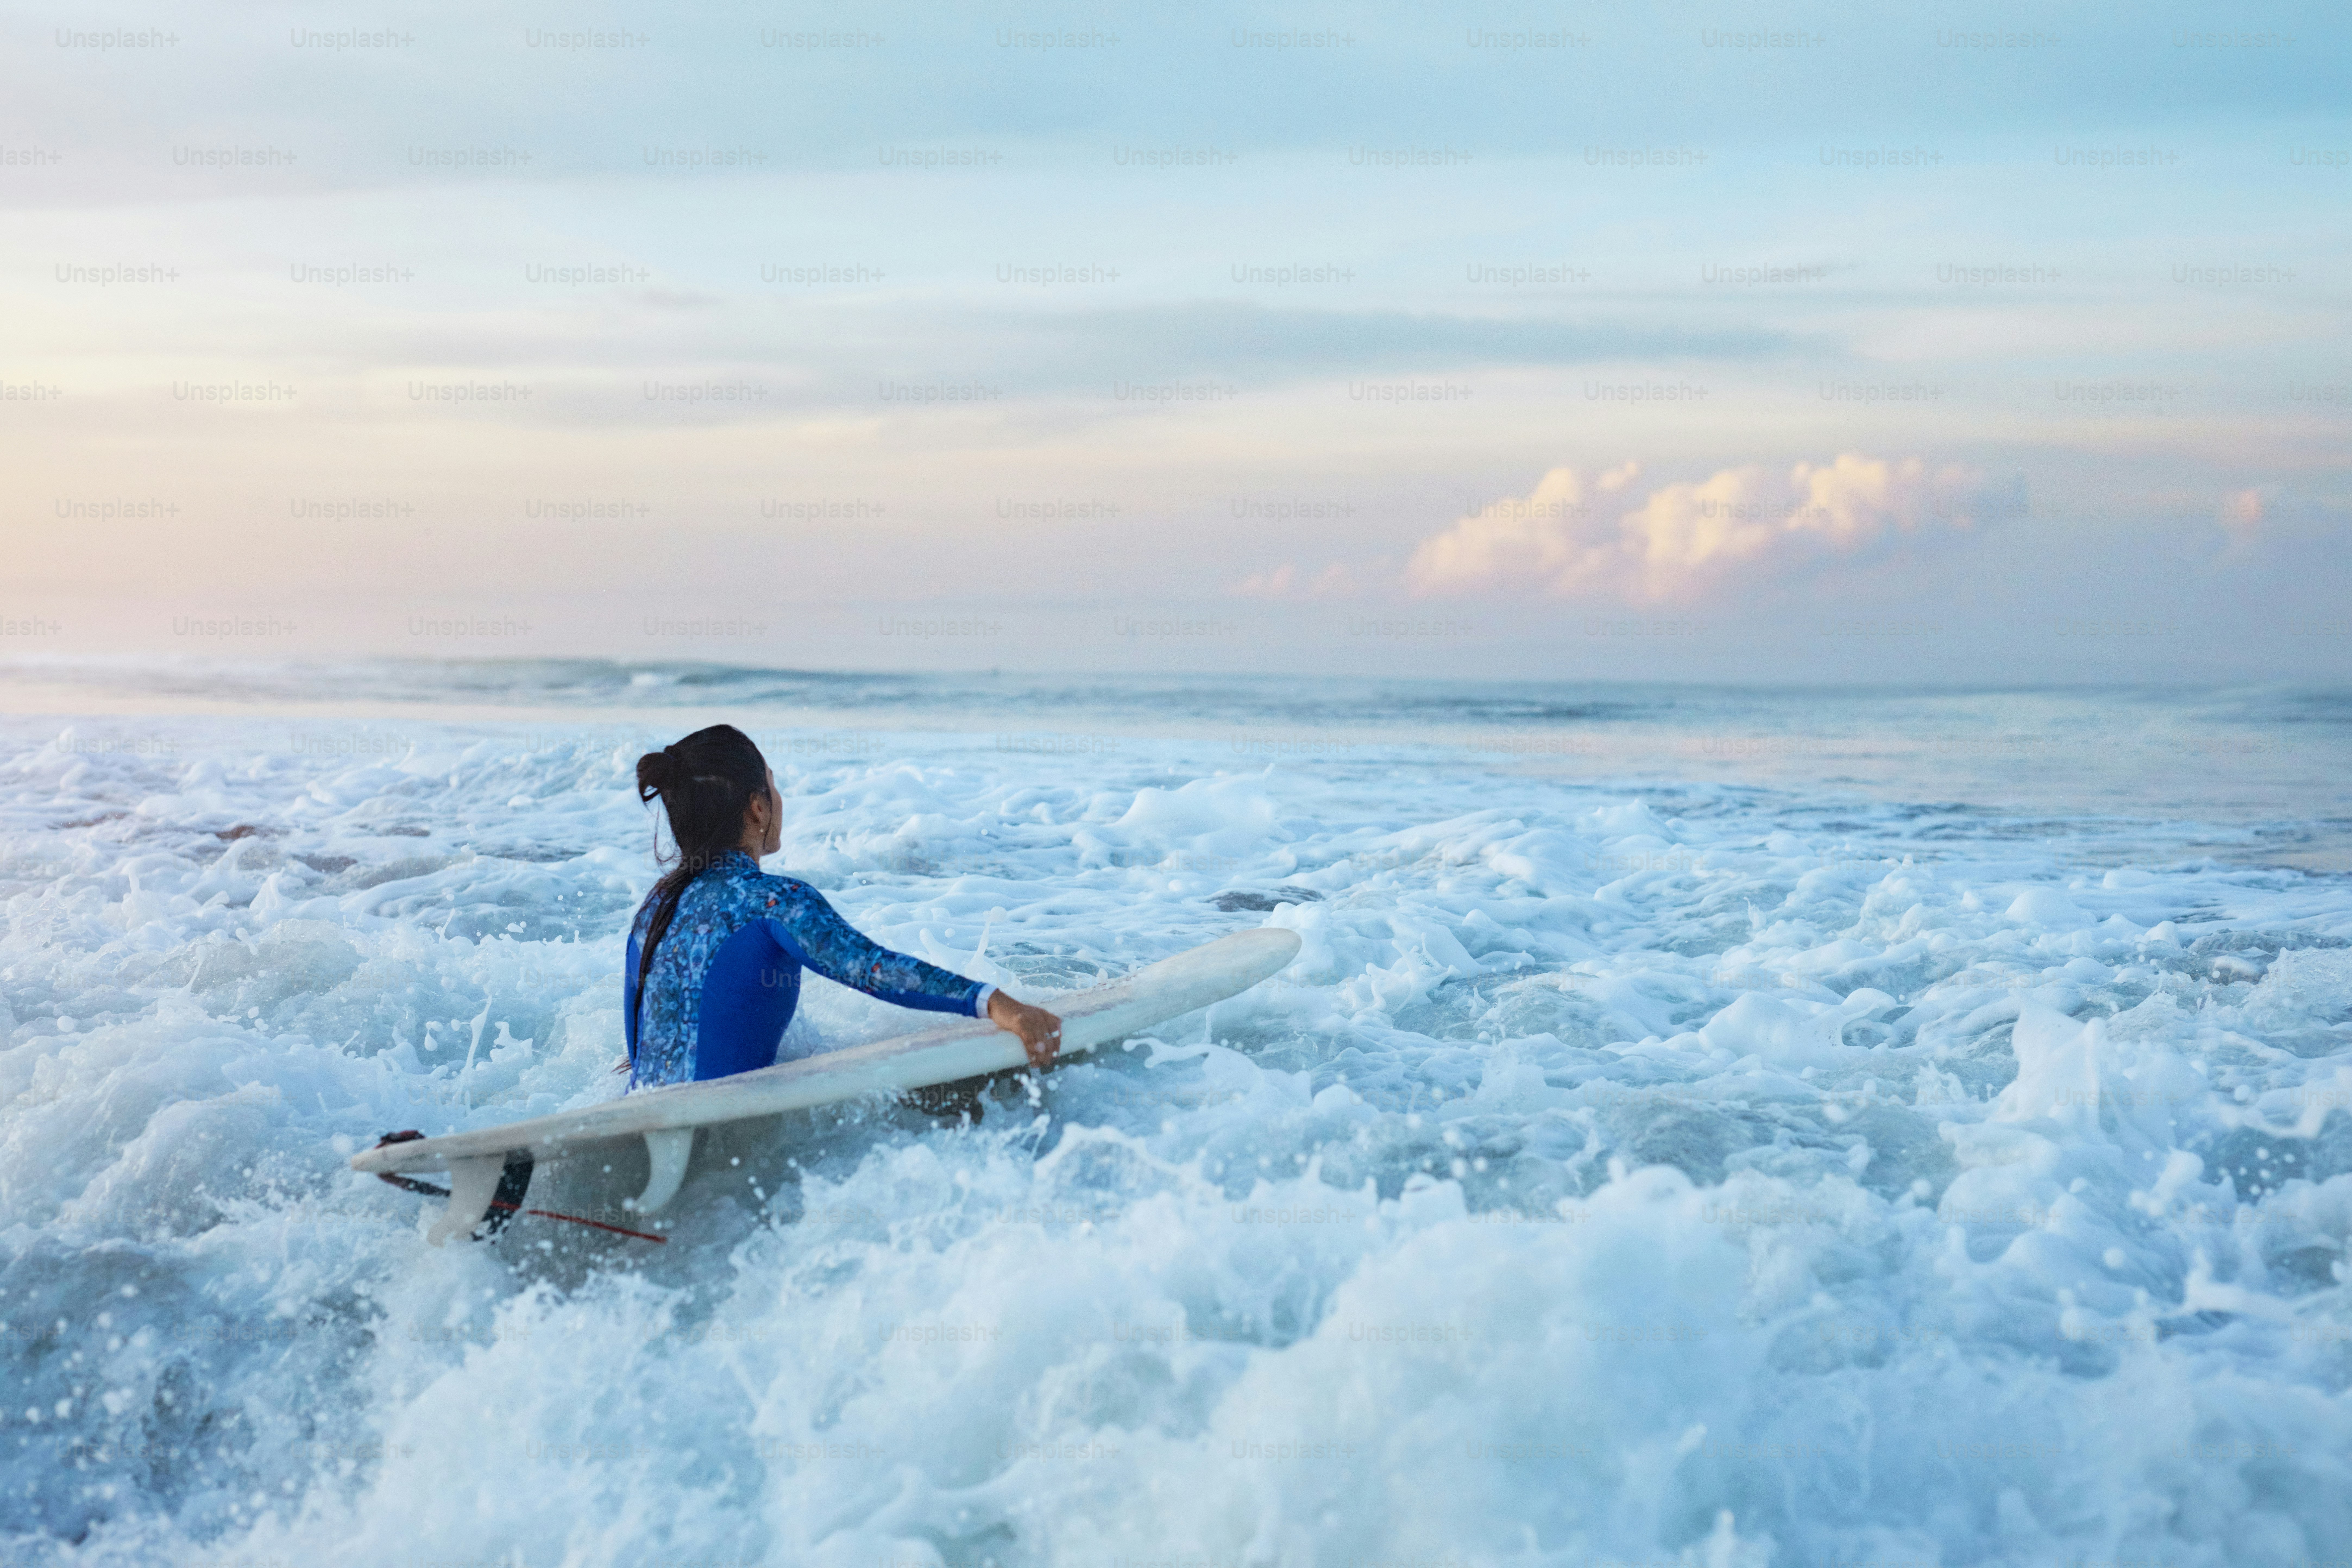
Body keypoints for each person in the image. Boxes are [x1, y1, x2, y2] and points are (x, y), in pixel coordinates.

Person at [623, 724, 1061, 1099]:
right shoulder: (774, 899)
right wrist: (994, 1003)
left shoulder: (653, 911)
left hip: (635, 1116)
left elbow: (639, 1046)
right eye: (774, 785)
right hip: (717, 1136)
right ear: (758, 807)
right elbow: (871, 968)